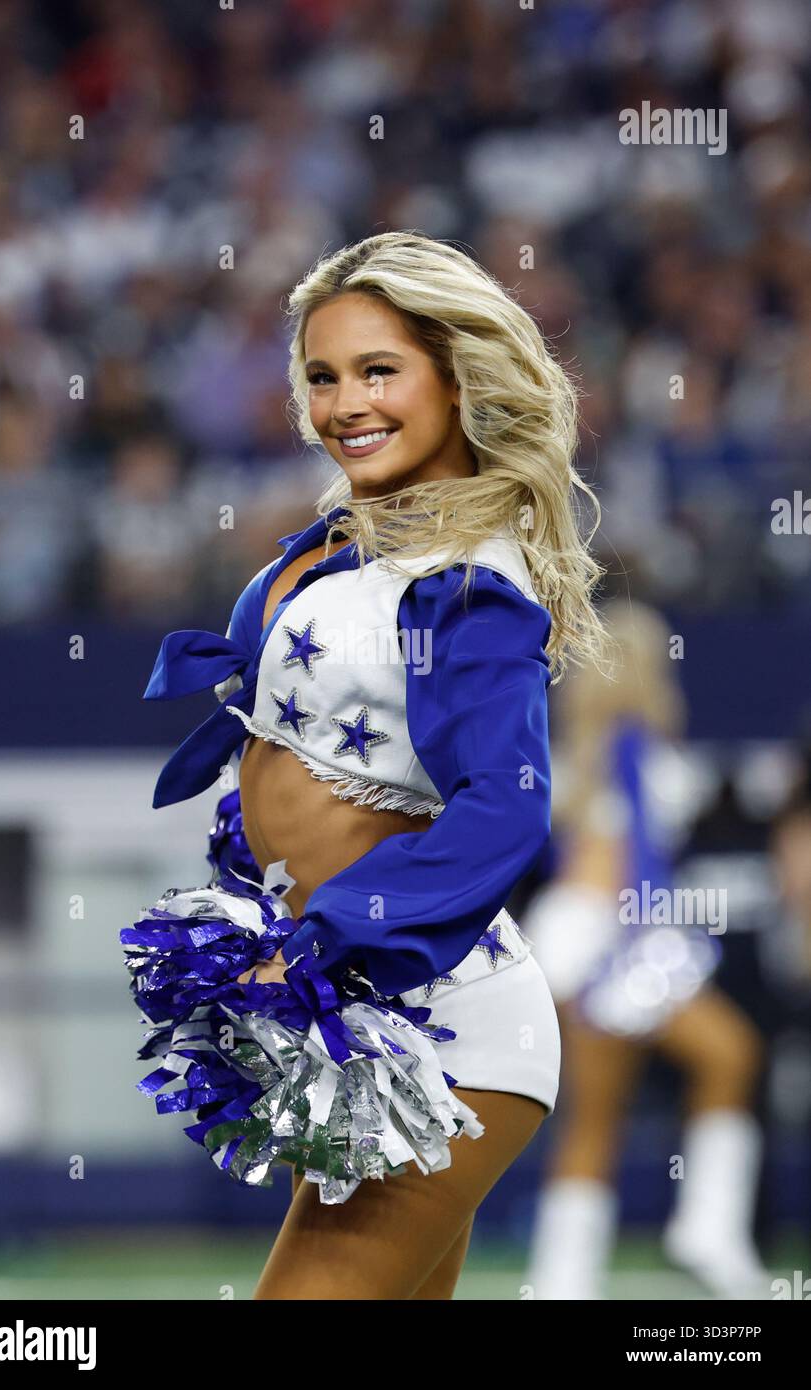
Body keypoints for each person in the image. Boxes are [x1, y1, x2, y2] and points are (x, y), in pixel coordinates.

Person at [121, 230, 605, 1300]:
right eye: (322, 376)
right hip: (369, 1021)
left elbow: (504, 808)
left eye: (379, 370)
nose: (346, 403)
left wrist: (319, 950)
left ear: (454, 378)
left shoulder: (465, 584)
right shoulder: (343, 545)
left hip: (443, 1025)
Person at [524, 601, 770, 1299]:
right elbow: (623, 861)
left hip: (585, 935)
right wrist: (643, 942)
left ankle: (561, 1282)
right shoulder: (627, 745)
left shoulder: (579, 747)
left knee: (595, 1118)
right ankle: (709, 1231)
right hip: (618, 938)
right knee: (733, 1054)